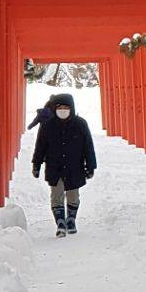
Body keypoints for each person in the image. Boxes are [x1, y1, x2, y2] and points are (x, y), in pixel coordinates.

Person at [31, 94, 97, 237]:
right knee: (56, 194)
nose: (63, 110)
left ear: (71, 108)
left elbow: (88, 146)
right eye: (59, 108)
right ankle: (60, 222)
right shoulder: (48, 126)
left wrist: (91, 165)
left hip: (75, 166)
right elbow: (40, 147)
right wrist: (36, 164)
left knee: (73, 195)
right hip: (55, 166)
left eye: (66, 108)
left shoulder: (80, 124)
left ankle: (71, 219)